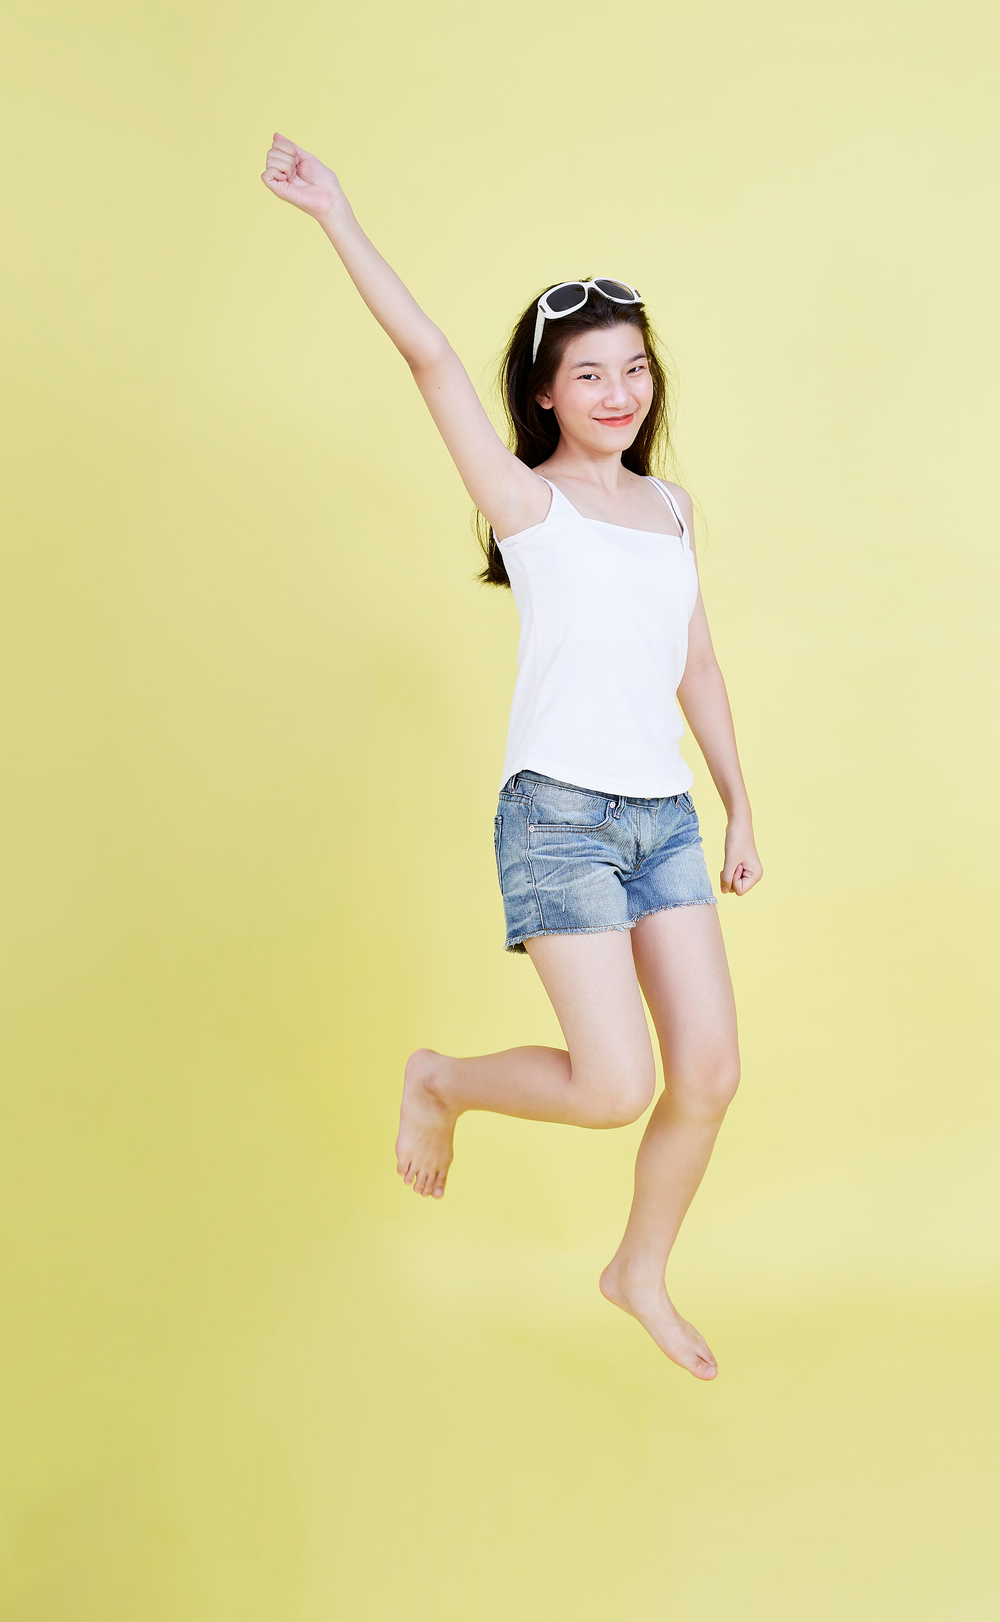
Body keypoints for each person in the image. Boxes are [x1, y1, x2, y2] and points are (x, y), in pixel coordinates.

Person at [261, 134, 762, 1379]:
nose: (616, 393)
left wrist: (742, 803)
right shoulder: (525, 503)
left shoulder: (671, 510)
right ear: (543, 392)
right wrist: (334, 211)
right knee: (610, 1085)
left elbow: (694, 663)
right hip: (559, 819)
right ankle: (440, 1080)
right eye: (588, 375)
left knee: (706, 1073)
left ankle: (635, 1267)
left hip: (662, 819)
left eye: (633, 369)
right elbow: (427, 352)